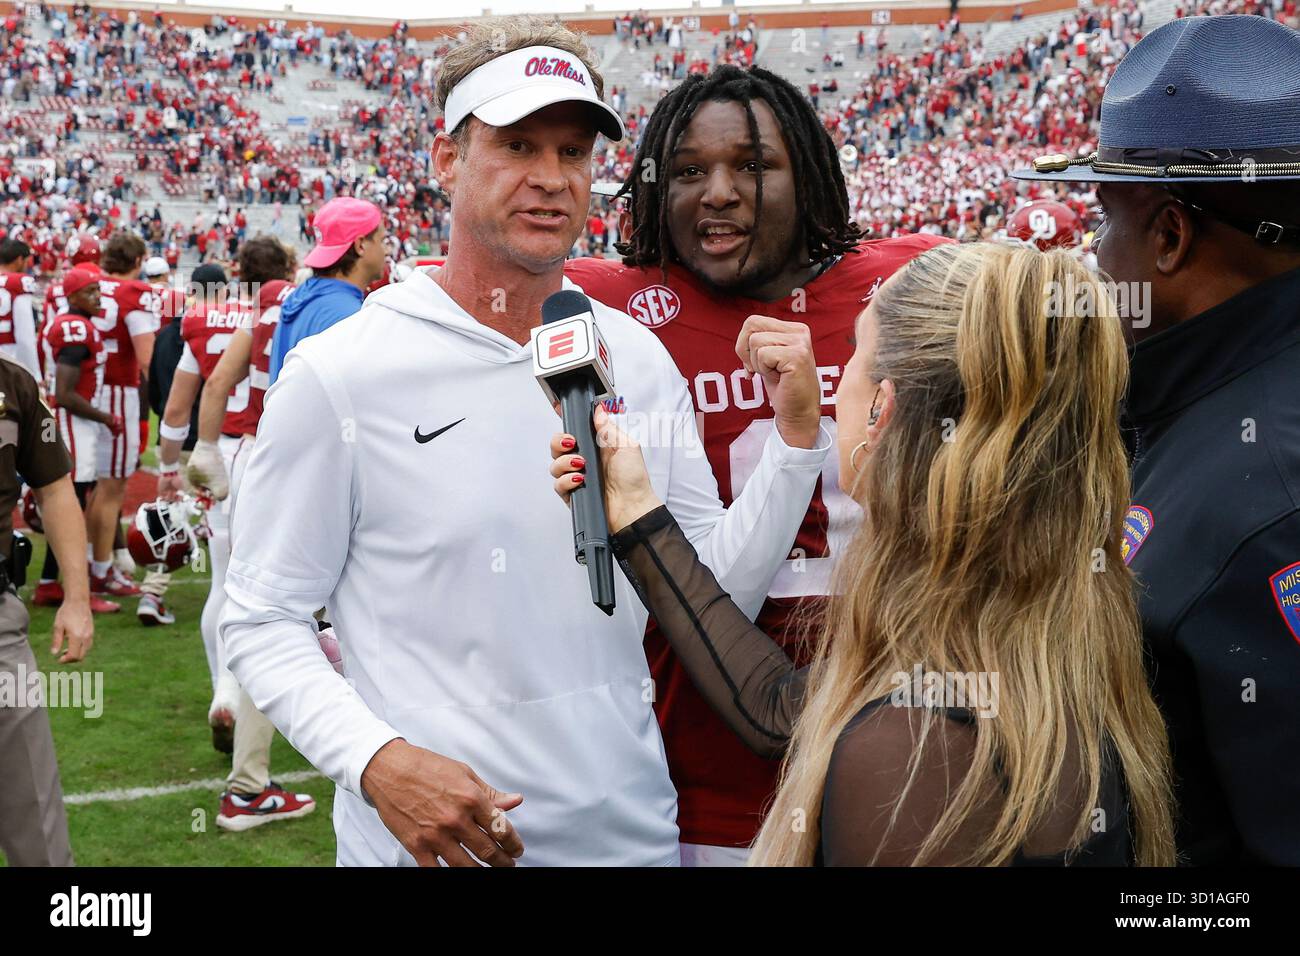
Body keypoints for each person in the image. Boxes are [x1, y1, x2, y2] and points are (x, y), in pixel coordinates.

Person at [221, 16, 830, 867]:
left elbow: (709, 589)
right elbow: (259, 615)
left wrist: (795, 444)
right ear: (446, 159)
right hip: (432, 851)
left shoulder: (636, 355)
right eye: (518, 145)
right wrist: (378, 763)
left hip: (630, 838)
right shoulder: (343, 373)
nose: (551, 180)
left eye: (573, 152)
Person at [551, 242, 1177, 866]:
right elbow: (781, 709)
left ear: (884, 407)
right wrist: (635, 511)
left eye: (852, 354)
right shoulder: (1027, 626)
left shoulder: (913, 756)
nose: (833, 378)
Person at [566, 63, 947, 865]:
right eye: (688, 171)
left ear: (807, 174)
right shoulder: (610, 305)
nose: (719, 192)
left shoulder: (907, 288)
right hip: (697, 754)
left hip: (898, 741)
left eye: (752, 165)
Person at [1015, 13, 1300, 865]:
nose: (1095, 256)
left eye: (1106, 222)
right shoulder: (1201, 402)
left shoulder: (1270, 496)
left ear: (1171, 236)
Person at [182, 237, 315, 830]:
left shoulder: (234, 313)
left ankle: (226, 695)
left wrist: (190, 452)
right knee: (284, 607)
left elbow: (207, 386)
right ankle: (250, 779)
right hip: (276, 457)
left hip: (238, 452)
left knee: (230, 590)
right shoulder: (299, 303)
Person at [0, 344, 96, 866]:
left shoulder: (13, 386)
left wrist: (77, 599)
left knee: (37, 827)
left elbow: (56, 489)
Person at [84, 231, 158, 602]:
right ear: (138, 260)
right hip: (117, 393)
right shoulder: (136, 293)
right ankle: (99, 572)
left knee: (94, 486)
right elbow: (147, 356)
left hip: (86, 391)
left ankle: (93, 563)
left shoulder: (91, 283)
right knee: (111, 488)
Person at [267, 196, 385, 384]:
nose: (386, 251)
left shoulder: (300, 296)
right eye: (382, 240)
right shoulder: (350, 316)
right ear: (360, 245)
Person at [0, 239, 40, 381]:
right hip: (10, 360)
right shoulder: (17, 283)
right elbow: (25, 337)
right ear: (19, 260)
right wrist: (34, 375)